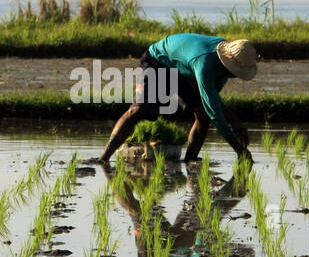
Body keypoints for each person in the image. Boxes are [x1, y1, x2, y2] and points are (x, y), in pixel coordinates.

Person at [94, 33, 257, 164]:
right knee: (139, 110)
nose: (235, 76)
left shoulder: (224, 62)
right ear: (227, 64)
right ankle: (104, 157)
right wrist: (240, 150)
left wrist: (236, 122)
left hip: (184, 70)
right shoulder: (205, 64)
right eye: (234, 72)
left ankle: (190, 161)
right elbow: (216, 113)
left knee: (202, 114)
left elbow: (211, 101)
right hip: (158, 60)